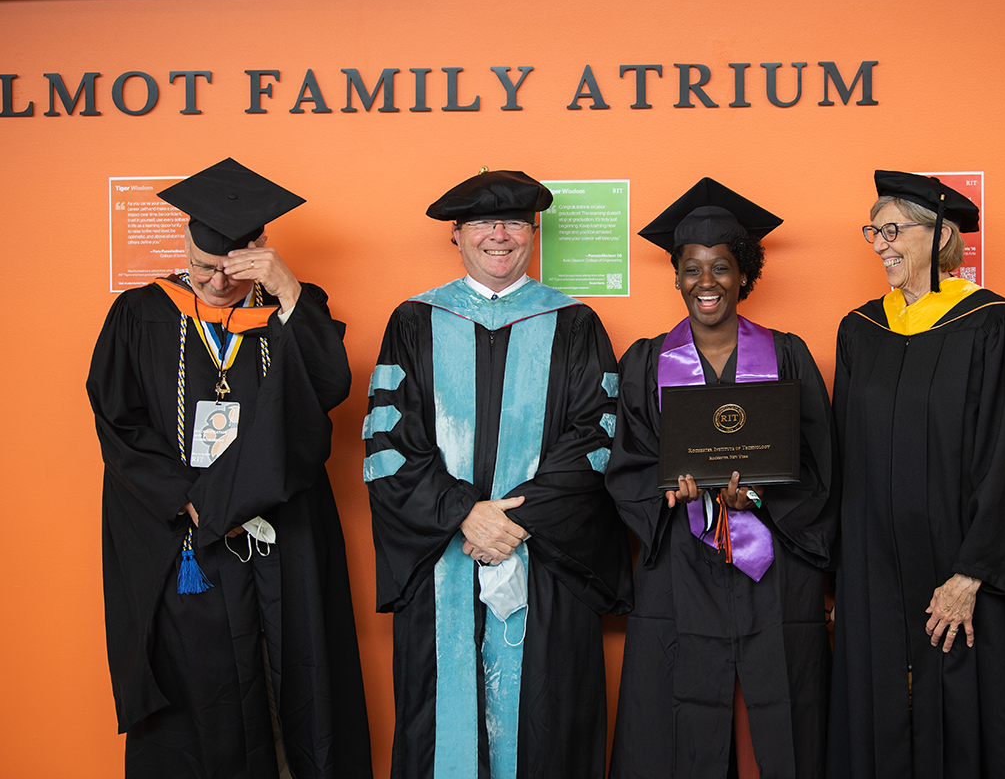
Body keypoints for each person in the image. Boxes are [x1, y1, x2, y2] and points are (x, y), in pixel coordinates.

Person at [86, 158, 372, 779]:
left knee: (300, 674)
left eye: (232, 268)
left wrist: (290, 291)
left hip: (281, 532)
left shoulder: (293, 310)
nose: (216, 284)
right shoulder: (141, 315)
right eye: (202, 267)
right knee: (203, 687)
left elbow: (328, 389)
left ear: (260, 251)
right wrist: (196, 503)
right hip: (189, 536)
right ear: (184, 248)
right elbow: (119, 422)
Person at [364, 168, 633, 779]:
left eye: (514, 222)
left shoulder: (575, 323)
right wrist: (464, 512)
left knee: (546, 717)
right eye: (484, 222)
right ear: (456, 235)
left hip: (545, 557)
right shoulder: (413, 322)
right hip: (444, 557)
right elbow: (389, 439)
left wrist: (514, 521)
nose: (499, 235)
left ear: (533, 235)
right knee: (441, 723)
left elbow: (598, 436)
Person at [826, 170, 1005, 778]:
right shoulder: (861, 330)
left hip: (963, 571)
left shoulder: (993, 326)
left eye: (893, 230)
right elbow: (843, 455)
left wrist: (970, 575)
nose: (881, 245)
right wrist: (839, 576)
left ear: (940, 235)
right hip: (875, 573)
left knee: (970, 710)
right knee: (880, 712)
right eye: (874, 232)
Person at [605, 177, 838, 779]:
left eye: (721, 268)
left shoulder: (787, 355)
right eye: (691, 269)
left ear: (744, 275)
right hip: (679, 558)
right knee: (673, 716)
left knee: (786, 708)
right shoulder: (645, 361)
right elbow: (627, 460)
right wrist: (664, 494)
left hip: (772, 561)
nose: (705, 283)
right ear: (677, 276)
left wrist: (756, 496)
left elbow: (821, 462)